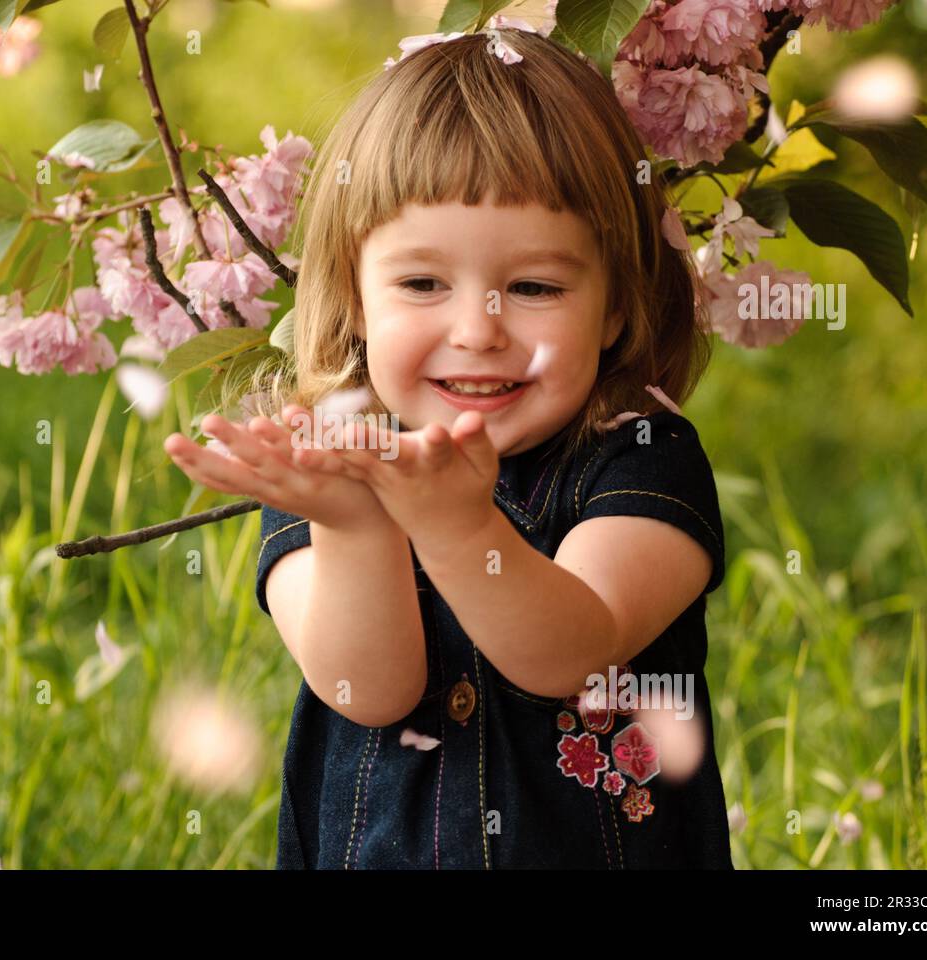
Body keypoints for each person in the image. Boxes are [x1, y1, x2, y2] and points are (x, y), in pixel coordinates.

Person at [164, 25, 733, 869]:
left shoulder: (640, 457)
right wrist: (354, 525)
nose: (477, 332)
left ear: (616, 305)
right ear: (356, 299)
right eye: (423, 284)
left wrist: (462, 532)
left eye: (535, 287)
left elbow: (573, 650)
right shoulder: (325, 471)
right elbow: (368, 689)